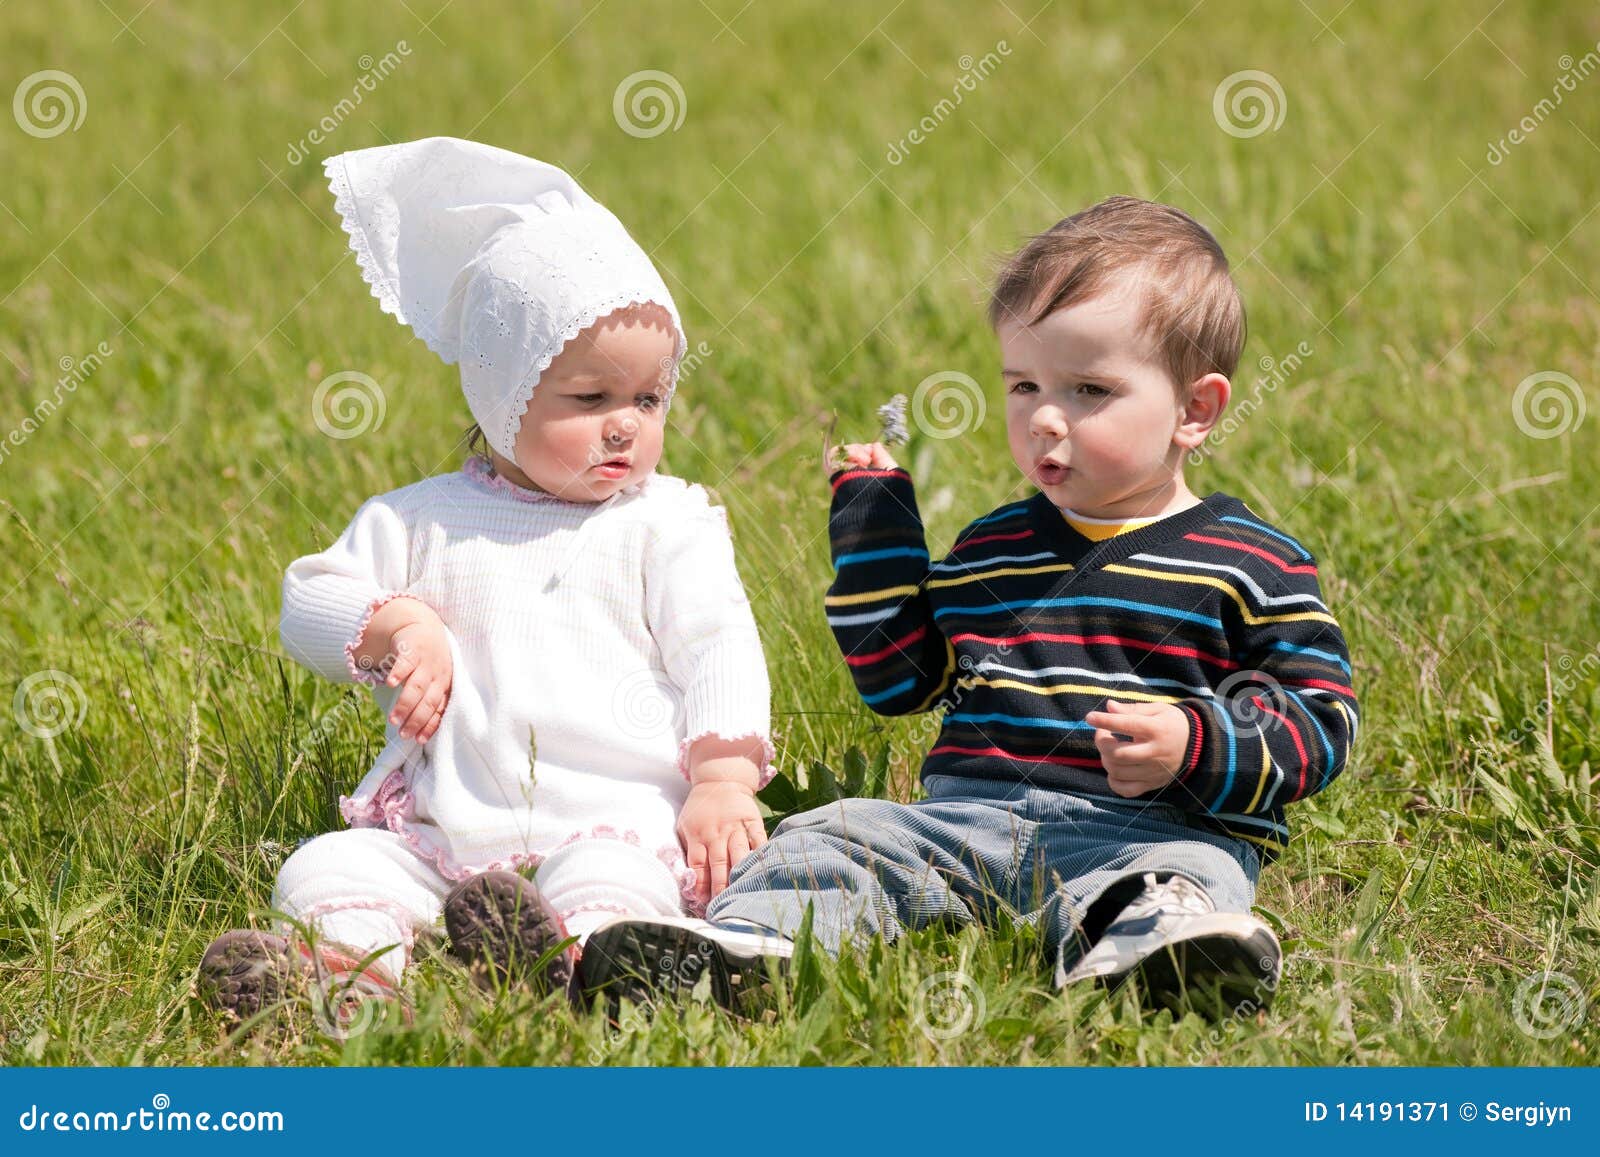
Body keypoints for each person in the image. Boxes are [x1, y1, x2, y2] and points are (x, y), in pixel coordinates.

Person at [581, 195, 1359, 1019]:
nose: (1045, 417)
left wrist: (1195, 743)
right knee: (829, 834)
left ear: (1195, 410)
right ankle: (752, 946)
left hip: (1143, 828)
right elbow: (899, 680)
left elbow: (1320, 719)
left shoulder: (1251, 560)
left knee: (1179, 879)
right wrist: (872, 529)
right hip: (963, 822)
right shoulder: (996, 545)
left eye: (1090, 389)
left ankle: (1151, 950)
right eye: (1025, 385)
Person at [195, 137, 774, 1023]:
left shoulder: (668, 521)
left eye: (649, 400)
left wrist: (724, 778)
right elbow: (309, 597)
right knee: (326, 865)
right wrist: (397, 626)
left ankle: (586, 964)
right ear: (501, 395)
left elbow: (718, 645)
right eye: (590, 400)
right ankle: (346, 976)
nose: (626, 427)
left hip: (611, 818)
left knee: (613, 881)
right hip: (438, 833)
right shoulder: (422, 519)